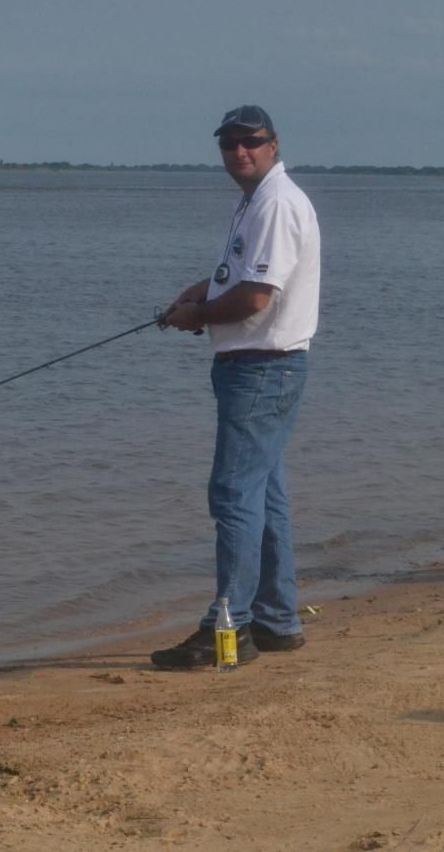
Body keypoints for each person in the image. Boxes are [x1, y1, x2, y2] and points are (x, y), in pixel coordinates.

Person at [153, 105, 321, 670]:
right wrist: (197, 292)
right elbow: (239, 277)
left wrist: (196, 315)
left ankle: (230, 625)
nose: (239, 152)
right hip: (257, 367)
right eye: (229, 144)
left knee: (232, 496)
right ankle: (278, 622)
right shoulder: (254, 201)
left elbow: (255, 299)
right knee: (264, 495)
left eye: (250, 142)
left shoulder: (275, 202)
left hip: (263, 368)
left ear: (273, 144)